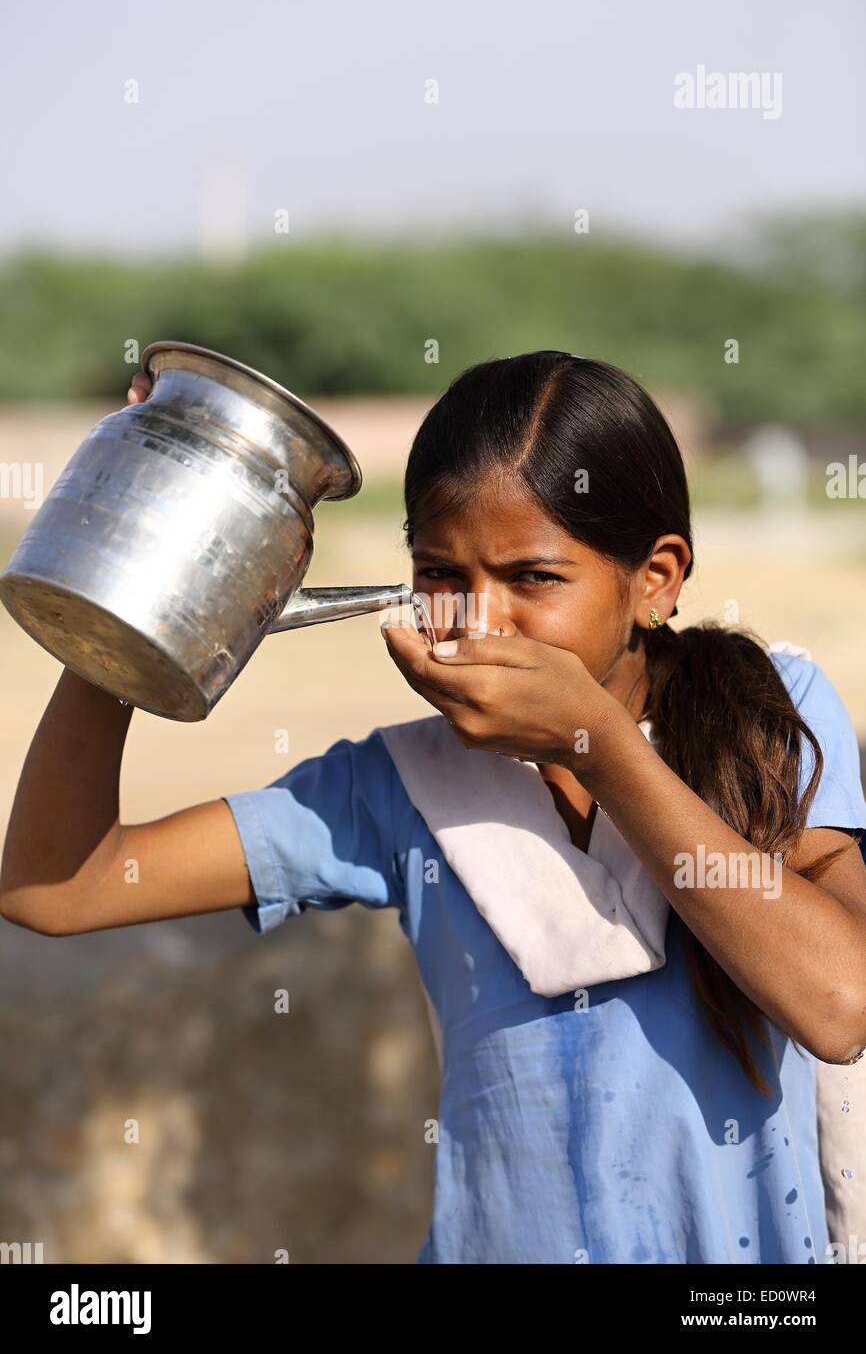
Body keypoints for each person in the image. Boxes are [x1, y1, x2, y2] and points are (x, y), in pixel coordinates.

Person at [2, 351, 865, 1264]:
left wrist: (594, 745)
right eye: (443, 575)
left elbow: (839, 1001)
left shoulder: (773, 713)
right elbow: (60, 887)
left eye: (534, 578)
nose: (481, 622)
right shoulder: (400, 786)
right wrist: (125, 613)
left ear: (655, 579)